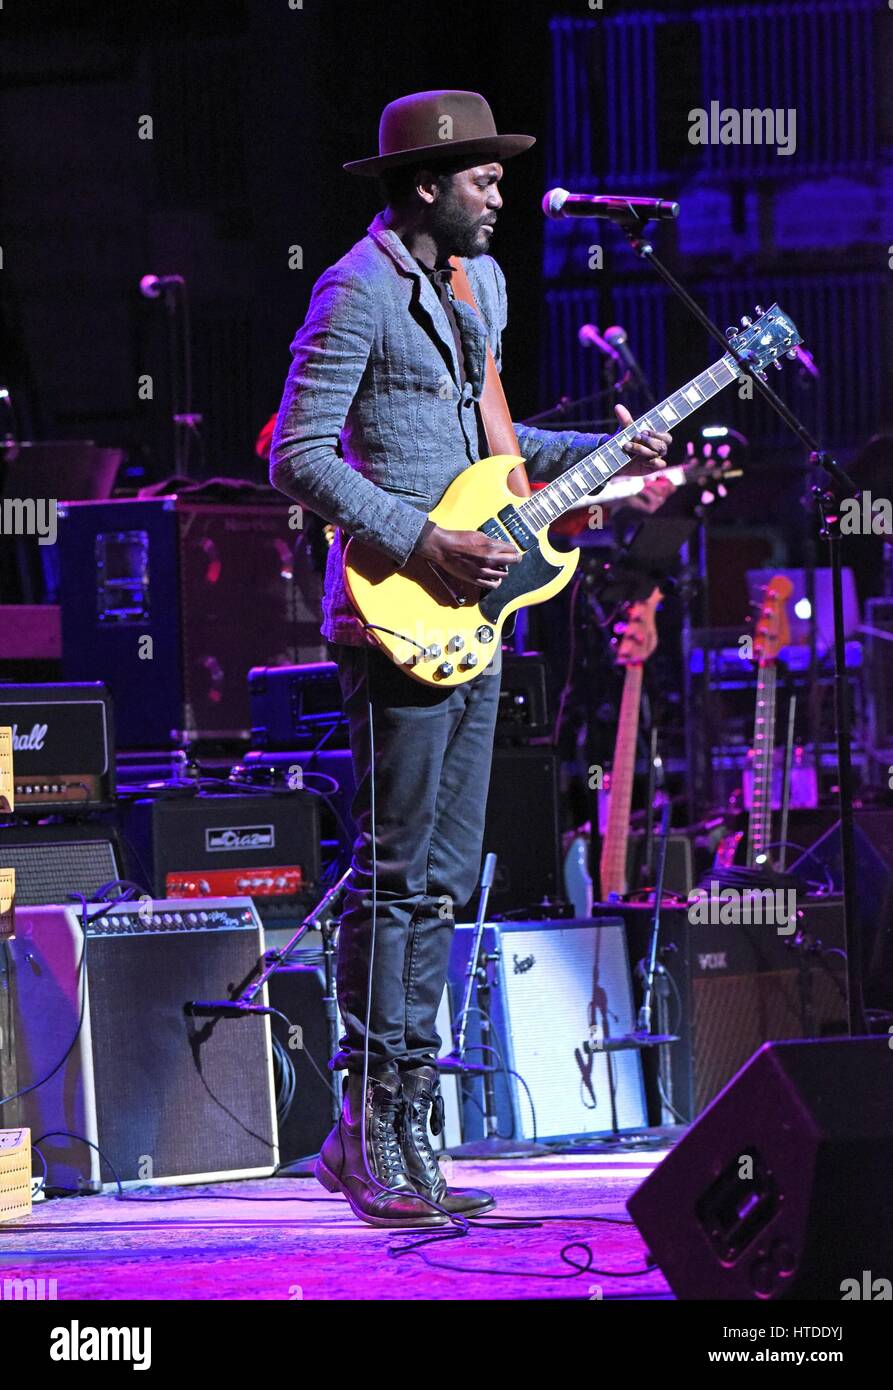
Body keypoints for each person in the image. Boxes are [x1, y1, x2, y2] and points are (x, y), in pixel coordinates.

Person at [269, 90, 671, 1227]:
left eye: (500, 175)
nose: (499, 193)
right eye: (482, 177)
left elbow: (498, 452)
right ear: (424, 186)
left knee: (440, 882)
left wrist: (601, 448)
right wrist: (415, 537)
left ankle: (413, 1131)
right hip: (397, 606)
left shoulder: (477, 286)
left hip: (477, 618)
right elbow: (294, 453)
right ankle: (366, 1126)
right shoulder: (353, 289)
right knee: (395, 877)